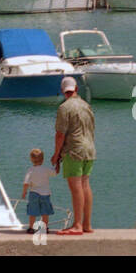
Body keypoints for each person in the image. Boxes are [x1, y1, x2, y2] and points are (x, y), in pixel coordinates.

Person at [52, 76, 95, 235]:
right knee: (85, 185)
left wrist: (56, 155)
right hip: (89, 149)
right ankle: (86, 224)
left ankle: (77, 225)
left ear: (63, 91)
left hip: (74, 150)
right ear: (76, 89)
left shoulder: (65, 108)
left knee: (76, 187)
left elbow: (60, 135)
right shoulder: (87, 106)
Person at [21, 148, 55, 234]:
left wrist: (24, 192)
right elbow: (55, 173)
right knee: (45, 213)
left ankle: (31, 228)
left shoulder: (30, 170)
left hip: (34, 193)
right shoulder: (46, 169)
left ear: (31, 159)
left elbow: (26, 183)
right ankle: (45, 228)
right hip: (45, 194)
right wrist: (57, 165)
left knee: (32, 212)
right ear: (43, 159)